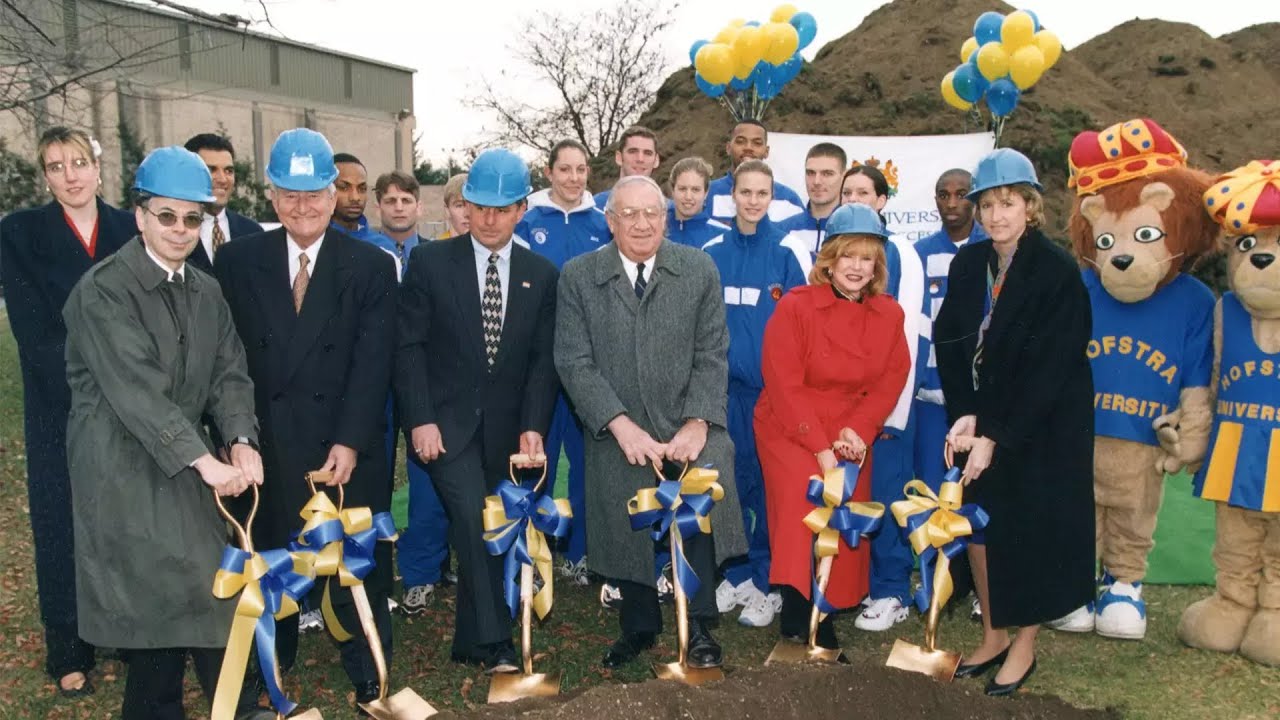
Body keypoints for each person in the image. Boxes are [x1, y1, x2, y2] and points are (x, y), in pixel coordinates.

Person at [63, 146, 272, 720]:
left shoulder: (206, 291)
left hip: (189, 460)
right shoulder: (103, 290)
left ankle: (238, 706)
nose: (180, 230)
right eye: (167, 216)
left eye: (192, 218)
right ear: (140, 216)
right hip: (122, 465)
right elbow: (136, 392)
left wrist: (241, 439)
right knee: (156, 606)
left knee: (205, 588)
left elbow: (230, 373)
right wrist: (208, 464)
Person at [213, 128, 399, 707]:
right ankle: (274, 660)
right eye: (289, 194)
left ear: (333, 192)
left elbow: (374, 364)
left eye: (315, 193)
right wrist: (237, 436)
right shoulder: (238, 260)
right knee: (272, 556)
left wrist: (349, 441)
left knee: (353, 564)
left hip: (341, 446)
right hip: (266, 444)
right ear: (270, 196)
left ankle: (370, 666)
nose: (303, 206)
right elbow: (229, 358)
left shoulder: (370, 264)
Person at [555, 174, 748, 670]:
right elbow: (574, 362)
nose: (642, 224)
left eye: (652, 214)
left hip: (688, 419)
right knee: (621, 496)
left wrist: (699, 421)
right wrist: (619, 425)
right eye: (630, 214)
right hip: (619, 427)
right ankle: (638, 624)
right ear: (610, 220)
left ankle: (700, 623)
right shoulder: (579, 276)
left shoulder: (698, 268)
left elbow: (712, 352)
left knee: (704, 487)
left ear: (665, 218)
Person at [934, 148, 1095, 696]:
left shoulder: (1055, 271)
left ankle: (1023, 645)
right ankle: (992, 634)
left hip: (1042, 426)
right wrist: (965, 416)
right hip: (986, 418)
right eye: (988, 205)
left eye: (1008, 203)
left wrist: (997, 435)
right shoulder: (966, 264)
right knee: (979, 525)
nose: (997, 215)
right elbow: (950, 344)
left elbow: (1051, 367)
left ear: (1030, 205)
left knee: (1027, 532)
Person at [396, 148, 559, 673]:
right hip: (444, 428)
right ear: (465, 207)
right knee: (473, 518)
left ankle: (470, 639)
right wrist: (419, 418)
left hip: (509, 434)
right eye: (479, 207)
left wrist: (533, 428)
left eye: (502, 208)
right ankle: (497, 646)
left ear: (521, 210)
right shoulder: (429, 263)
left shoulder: (541, 274)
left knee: (494, 523)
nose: (489, 219)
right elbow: (409, 348)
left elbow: (541, 363)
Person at [0, 126, 135, 698]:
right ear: (46, 175)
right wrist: (96, 384)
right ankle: (68, 645)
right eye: (56, 166)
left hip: (135, 404)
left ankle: (131, 632)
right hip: (61, 403)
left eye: (79, 162)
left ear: (99, 167)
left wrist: (135, 389)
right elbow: (34, 331)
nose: (70, 175)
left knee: (130, 523)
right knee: (61, 523)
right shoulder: (20, 233)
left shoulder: (131, 228)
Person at [754, 203, 910, 656]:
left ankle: (828, 607)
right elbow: (783, 382)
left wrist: (858, 433)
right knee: (804, 509)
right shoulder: (798, 306)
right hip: (791, 424)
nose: (858, 267)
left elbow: (891, 378)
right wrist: (821, 447)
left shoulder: (889, 313)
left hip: (850, 429)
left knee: (844, 519)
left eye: (867, 258)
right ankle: (799, 613)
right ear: (830, 259)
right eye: (848, 256)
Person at [702, 160, 808, 627]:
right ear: (732, 197)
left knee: (768, 488)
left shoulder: (788, 250)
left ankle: (767, 584)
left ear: (771, 197)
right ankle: (738, 574)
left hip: (770, 396)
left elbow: (804, 325)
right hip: (723, 394)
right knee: (726, 486)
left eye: (761, 193)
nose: (752, 200)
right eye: (744, 192)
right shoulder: (709, 253)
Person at [516, 139, 610, 587]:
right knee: (537, 459)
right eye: (565, 169)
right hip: (539, 363)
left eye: (581, 169)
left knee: (589, 459)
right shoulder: (528, 222)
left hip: (589, 362)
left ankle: (581, 551)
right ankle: (533, 551)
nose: (574, 178)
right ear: (549, 173)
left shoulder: (602, 224)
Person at [836, 165, 926, 634]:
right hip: (845, 415)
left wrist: (892, 414)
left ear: (882, 200)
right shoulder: (838, 254)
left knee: (888, 498)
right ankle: (853, 586)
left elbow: (904, 342)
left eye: (863, 192)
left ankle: (892, 589)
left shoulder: (901, 254)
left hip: (886, 411)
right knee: (851, 499)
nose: (854, 198)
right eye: (846, 191)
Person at [373, 170, 454, 614]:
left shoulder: (435, 256)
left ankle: (428, 569)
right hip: (376, 381)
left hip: (424, 377)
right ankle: (378, 570)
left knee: (428, 473)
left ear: (419, 207)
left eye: (407, 200)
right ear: (379, 206)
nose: (399, 207)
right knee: (377, 477)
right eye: (391, 200)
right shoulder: (363, 250)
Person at [913, 169, 987, 493]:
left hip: (984, 401)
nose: (952, 202)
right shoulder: (919, 253)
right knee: (931, 491)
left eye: (961, 194)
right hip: (932, 397)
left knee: (977, 494)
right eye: (944, 195)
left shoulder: (993, 248)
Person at [182, 133, 264, 272]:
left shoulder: (253, 233)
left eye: (228, 171)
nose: (222, 179)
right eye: (211, 170)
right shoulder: (174, 231)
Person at [703, 119, 804, 224]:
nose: (748, 148)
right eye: (741, 141)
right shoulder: (706, 193)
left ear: (766, 151)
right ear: (728, 148)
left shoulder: (788, 199)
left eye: (757, 143)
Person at [780, 142, 847, 257]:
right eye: (810, 173)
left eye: (827, 174)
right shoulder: (782, 231)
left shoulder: (855, 231)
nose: (816, 181)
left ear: (844, 176)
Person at [666, 157, 728, 248]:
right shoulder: (655, 229)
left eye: (695, 190)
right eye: (682, 189)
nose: (688, 197)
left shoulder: (724, 236)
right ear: (672, 190)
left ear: (706, 193)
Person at [594, 125, 661, 209]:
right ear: (619, 157)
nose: (640, 159)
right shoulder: (595, 207)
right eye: (632, 151)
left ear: (656, 160)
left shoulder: (669, 210)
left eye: (647, 153)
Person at [439, 173, 470, 238]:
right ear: (447, 210)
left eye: (473, 206)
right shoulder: (433, 248)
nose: (467, 214)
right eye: (460, 205)